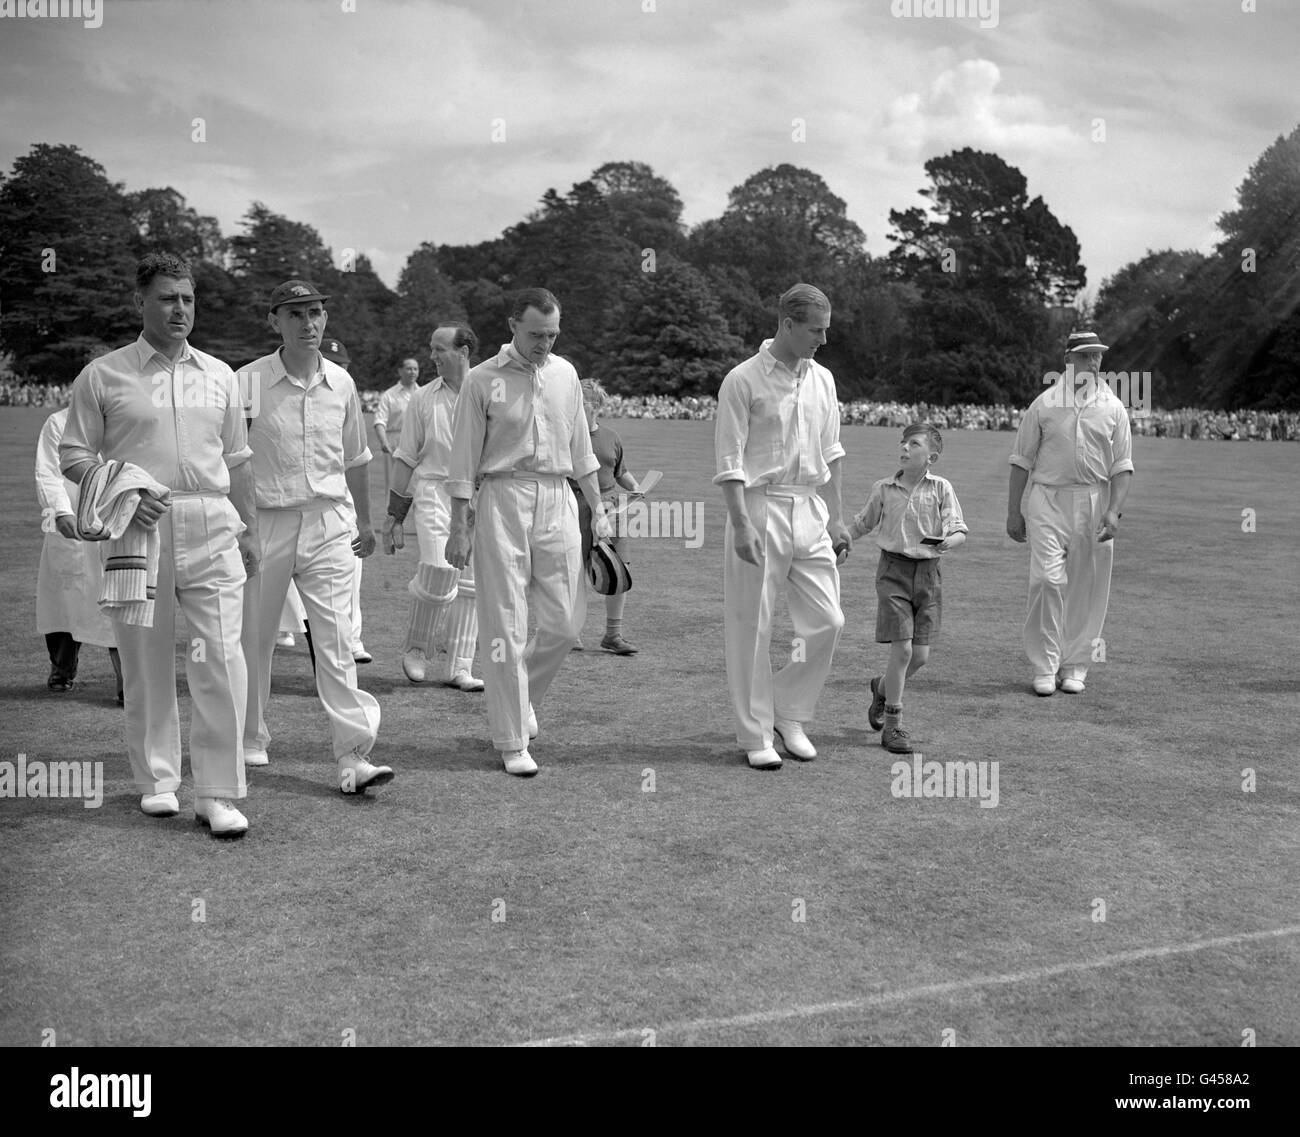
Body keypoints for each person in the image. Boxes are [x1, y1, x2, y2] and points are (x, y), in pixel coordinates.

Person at [60, 252, 257, 837]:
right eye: (168, 298)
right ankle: (157, 781)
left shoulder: (221, 374)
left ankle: (219, 793)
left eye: (188, 299)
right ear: (140, 302)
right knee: (146, 661)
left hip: (214, 523)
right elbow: (74, 454)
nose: (180, 309)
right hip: (138, 527)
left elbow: (239, 459)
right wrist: (125, 489)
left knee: (222, 656)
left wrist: (248, 529)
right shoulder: (103, 374)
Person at [445, 287, 612, 777]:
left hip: (559, 497)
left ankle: (522, 700)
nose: (545, 343)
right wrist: (460, 525)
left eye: (553, 334)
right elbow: (462, 460)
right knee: (505, 622)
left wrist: (598, 509)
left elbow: (583, 450)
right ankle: (512, 738)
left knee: (565, 624)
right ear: (513, 325)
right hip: (501, 495)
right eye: (537, 334)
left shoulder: (565, 375)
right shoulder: (482, 380)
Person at [238, 280, 389, 793]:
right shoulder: (248, 382)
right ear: (273, 320)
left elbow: (356, 458)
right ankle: (250, 736)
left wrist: (365, 523)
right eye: (296, 314)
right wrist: (241, 528)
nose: (309, 323)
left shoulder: (342, 382)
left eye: (317, 313)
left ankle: (353, 757)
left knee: (337, 641)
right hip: (264, 523)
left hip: (329, 524)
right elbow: (230, 461)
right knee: (254, 639)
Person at [714, 283, 849, 771]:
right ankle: (755, 735)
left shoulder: (824, 380)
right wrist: (741, 523)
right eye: (816, 330)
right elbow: (729, 461)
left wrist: (836, 518)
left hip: (809, 507)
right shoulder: (742, 380)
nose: (823, 340)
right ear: (787, 324)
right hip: (758, 506)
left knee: (828, 620)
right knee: (753, 626)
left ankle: (789, 712)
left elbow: (832, 453)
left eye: (826, 330)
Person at [1008, 330, 1134, 696]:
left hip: (1093, 502)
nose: (1093, 362)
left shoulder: (1113, 407)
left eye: (1097, 356)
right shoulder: (1044, 404)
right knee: (1047, 580)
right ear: (1068, 359)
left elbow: (1122, 465)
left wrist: (1114, 511)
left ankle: (1076, 664)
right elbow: (1021, 462)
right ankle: (1045, 665)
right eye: (1085, 356)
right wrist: (1013, 512)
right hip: (1046, 499)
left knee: (1087, 585)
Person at [850, 422, 968, 753]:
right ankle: (894, 724)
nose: (904, 448)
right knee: (901, 650)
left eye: (913, 444)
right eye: (902, 443)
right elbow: (862, 523)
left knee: (919, 657)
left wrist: (950, 541)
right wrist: (839, 540)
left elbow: (958, 528)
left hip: (929, 575)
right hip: (893, 572)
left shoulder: (942, 488)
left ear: (932, 456)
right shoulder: (884, 488)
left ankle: (882, 688)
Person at [383, 321, 484, 692]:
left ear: (464, 351)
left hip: (479, 495)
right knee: (438, 568)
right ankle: (417, 648)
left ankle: (460, 666)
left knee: (472, 583)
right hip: (433, 490)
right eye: (431, 348)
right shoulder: (423, 397)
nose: (432, 356)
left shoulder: (489, 389)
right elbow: (406, 455)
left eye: (439, 349)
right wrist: (395, 515)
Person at [35, 405, 122, 703]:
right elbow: (48, 472)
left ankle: (128, 681)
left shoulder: (125, 417)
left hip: (116, 521)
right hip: (71, 524)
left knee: (122, 599)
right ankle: (62, 668)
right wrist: (60, 511)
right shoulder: (59, 423)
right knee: (64, 600)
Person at [568, 377, 646, 655]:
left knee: (618, 568)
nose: (575, 406)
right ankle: (571, 632)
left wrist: (636, 487)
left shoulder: (611, 436)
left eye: (582, 402)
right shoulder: (566, 434)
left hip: (612, 508)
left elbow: (619, 471)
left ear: (596, 405)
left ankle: (613, 634)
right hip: (575, 505)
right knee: (573, 570)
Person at [319, 337, 371, 664]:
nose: (338, 368)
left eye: (343, 363)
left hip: (341, 499)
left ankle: (352, 640)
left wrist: (365, 520)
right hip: (295, 503)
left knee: (351, 572)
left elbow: (358, 456)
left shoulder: (344, 390)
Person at [373, 356, 420, 498]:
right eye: (409, 368)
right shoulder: (389, 395)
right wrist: (384, 442)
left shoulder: (424, 393)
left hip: (420, 443)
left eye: (415, 369)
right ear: (400, 371)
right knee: (395, 487)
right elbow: (380, 421)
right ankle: (393, 519)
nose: (412, 372)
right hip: (395, 444)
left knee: (421, 486)